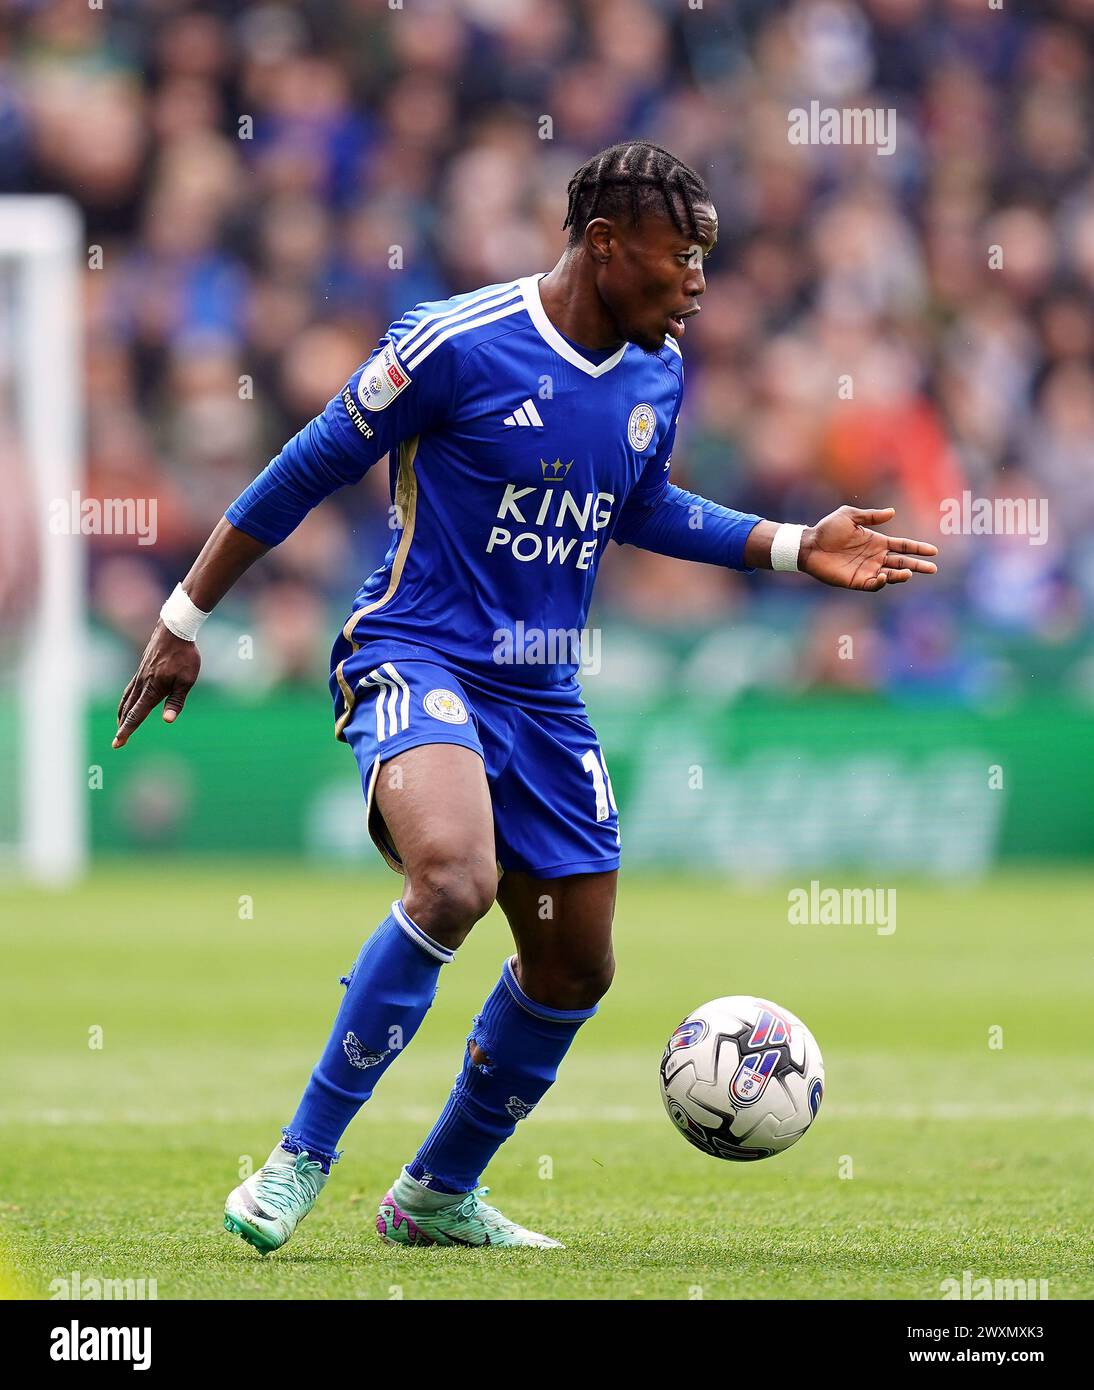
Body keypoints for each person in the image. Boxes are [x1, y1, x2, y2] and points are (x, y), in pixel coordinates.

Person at [113, 141, 938, 1251]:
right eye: (679, 255)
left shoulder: (656, 366)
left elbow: (635, 501)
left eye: (705, 256)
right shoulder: (452, 343)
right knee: (453, 877)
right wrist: (182, 619)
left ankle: (436, 1194)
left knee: (574, 963)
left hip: (542, 691)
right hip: (417, 652)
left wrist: (790, 544)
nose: (697, 278)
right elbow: (305, 466)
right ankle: (298, 1157)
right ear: (603, 244)